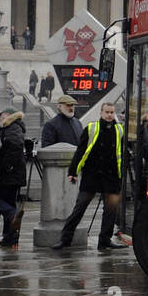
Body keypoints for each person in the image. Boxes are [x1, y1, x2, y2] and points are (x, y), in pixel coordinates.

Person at [56, 100, 125, 251]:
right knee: (79, 208)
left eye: (112, 112)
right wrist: (73, 172)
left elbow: (123, 154)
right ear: (101, 113)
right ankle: (65, 239)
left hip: (112, 175)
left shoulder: (120, 130)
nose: (109, 115)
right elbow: (80, 151)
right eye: (106, 112)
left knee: (110, 211)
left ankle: (104, 240)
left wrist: (122, 174)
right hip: (92, 174)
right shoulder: (91, 128)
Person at [0, 107, 27, 250]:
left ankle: (12, 218)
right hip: (13, 175)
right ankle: (9, 238)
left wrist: (7, 167)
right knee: (8, 203)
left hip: (10, 175)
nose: (0, 118)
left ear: (9, 116)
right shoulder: (13, 126)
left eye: (2, 115)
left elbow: (16, 145)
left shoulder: (12, 126)